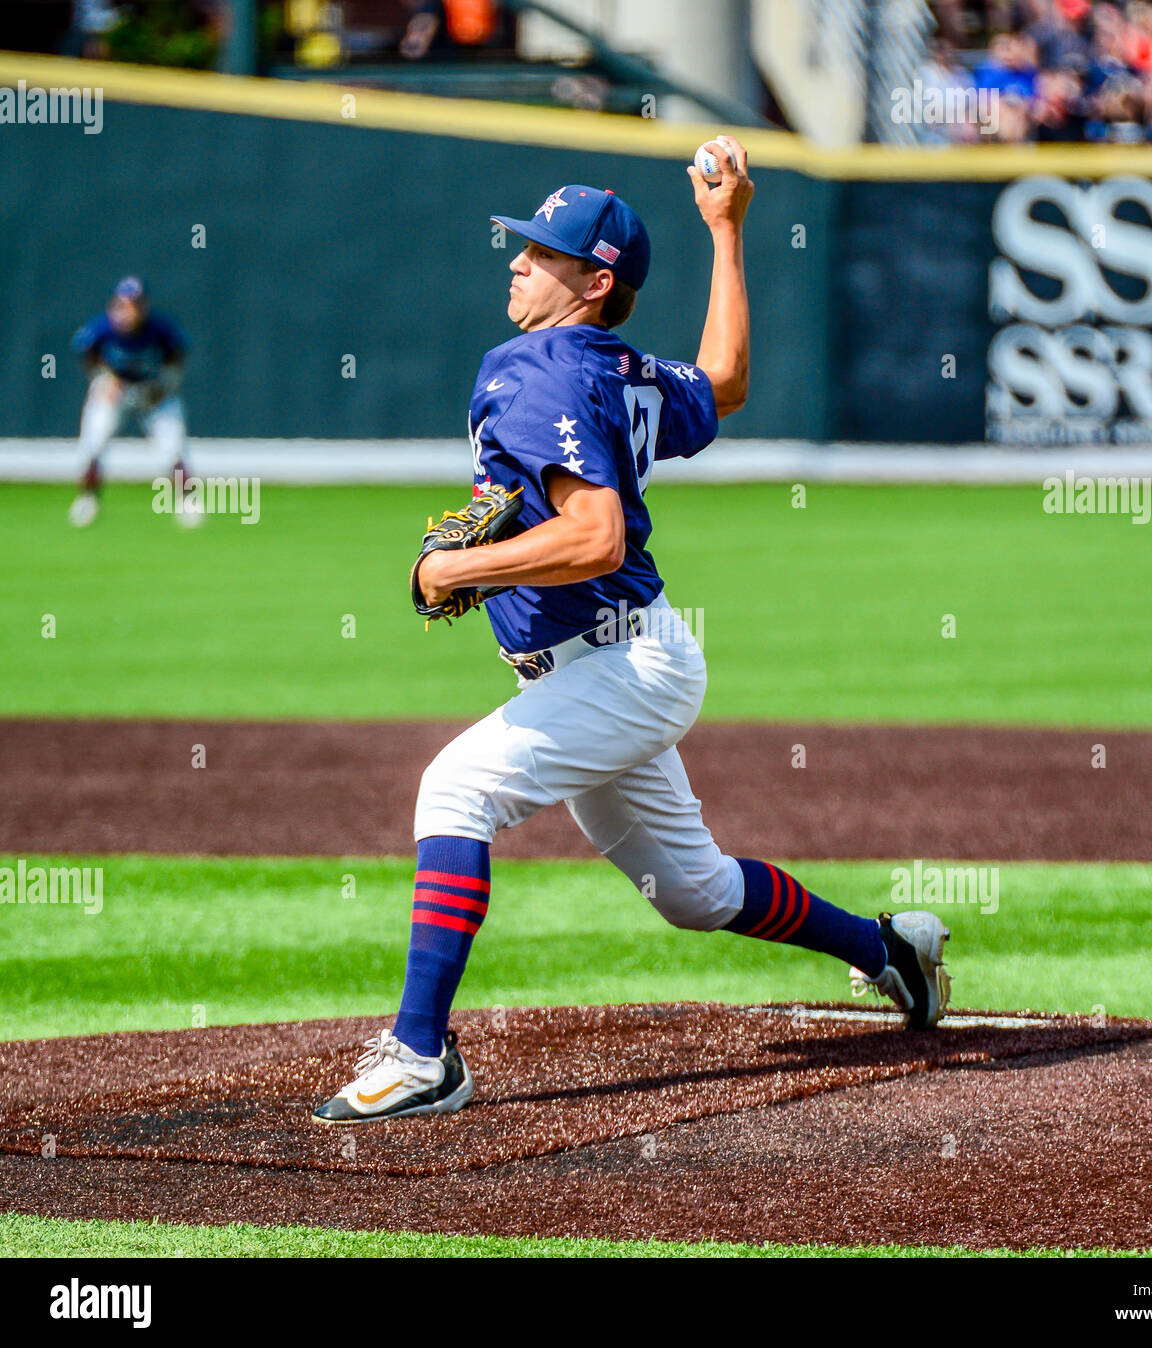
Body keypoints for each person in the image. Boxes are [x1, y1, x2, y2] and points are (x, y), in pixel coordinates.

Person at [312, 138, 952, 1125]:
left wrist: (454, 569)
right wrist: (728, 230)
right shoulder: (616, 367)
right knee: (691, 890)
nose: (517, 260)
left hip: (621, 663)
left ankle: (421, 1053)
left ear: (594, 278)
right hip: (618, 659)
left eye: (540, 251)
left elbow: (597, 535)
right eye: (520, 246)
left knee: (454, 786)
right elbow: (726, 382)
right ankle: (889, 950)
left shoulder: (539, 367)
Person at [67, 277, 200, 528]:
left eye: (134, 305)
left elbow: (178, 355)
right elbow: (86, 352)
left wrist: (165, 384)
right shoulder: (101, 328)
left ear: (144, 307)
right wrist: (104, 378)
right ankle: (87, 500)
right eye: (123, 304)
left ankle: (187, 502)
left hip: (153, 392)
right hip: (114, 392)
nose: (128, 311)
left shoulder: (160, 328)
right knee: (93, 444)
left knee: (173, 448)